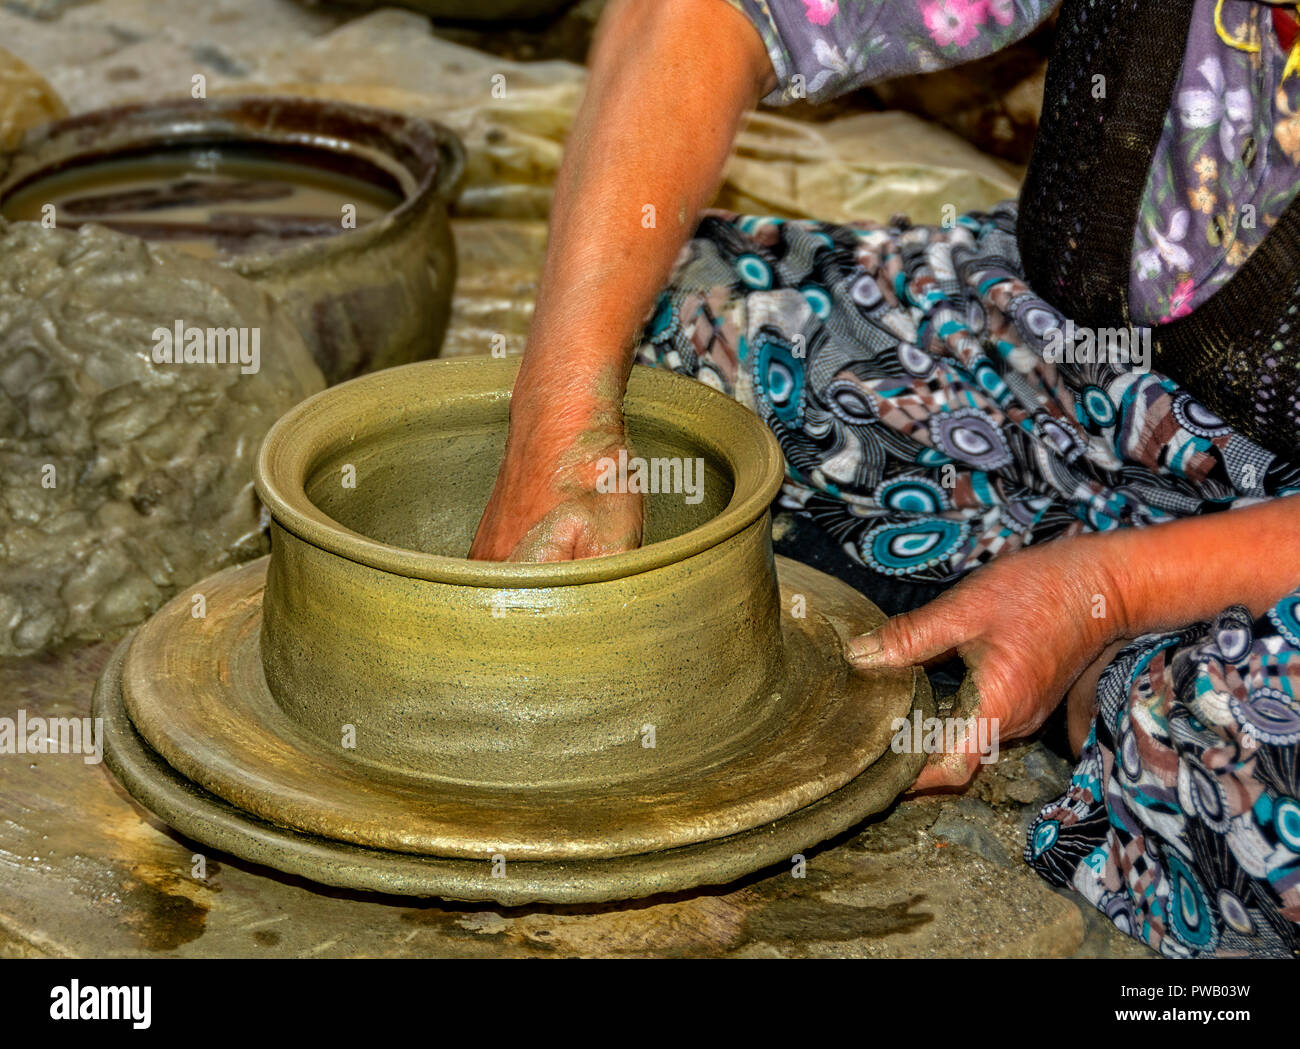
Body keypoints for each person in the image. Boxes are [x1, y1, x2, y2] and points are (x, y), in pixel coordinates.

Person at [470, 0, 1300, 957]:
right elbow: (699, 15)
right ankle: (1086, 647)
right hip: (1112, 374)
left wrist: (1106, 591)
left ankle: (1117, 682)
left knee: (1250, 770)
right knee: (683, 351)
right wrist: (563, 421)